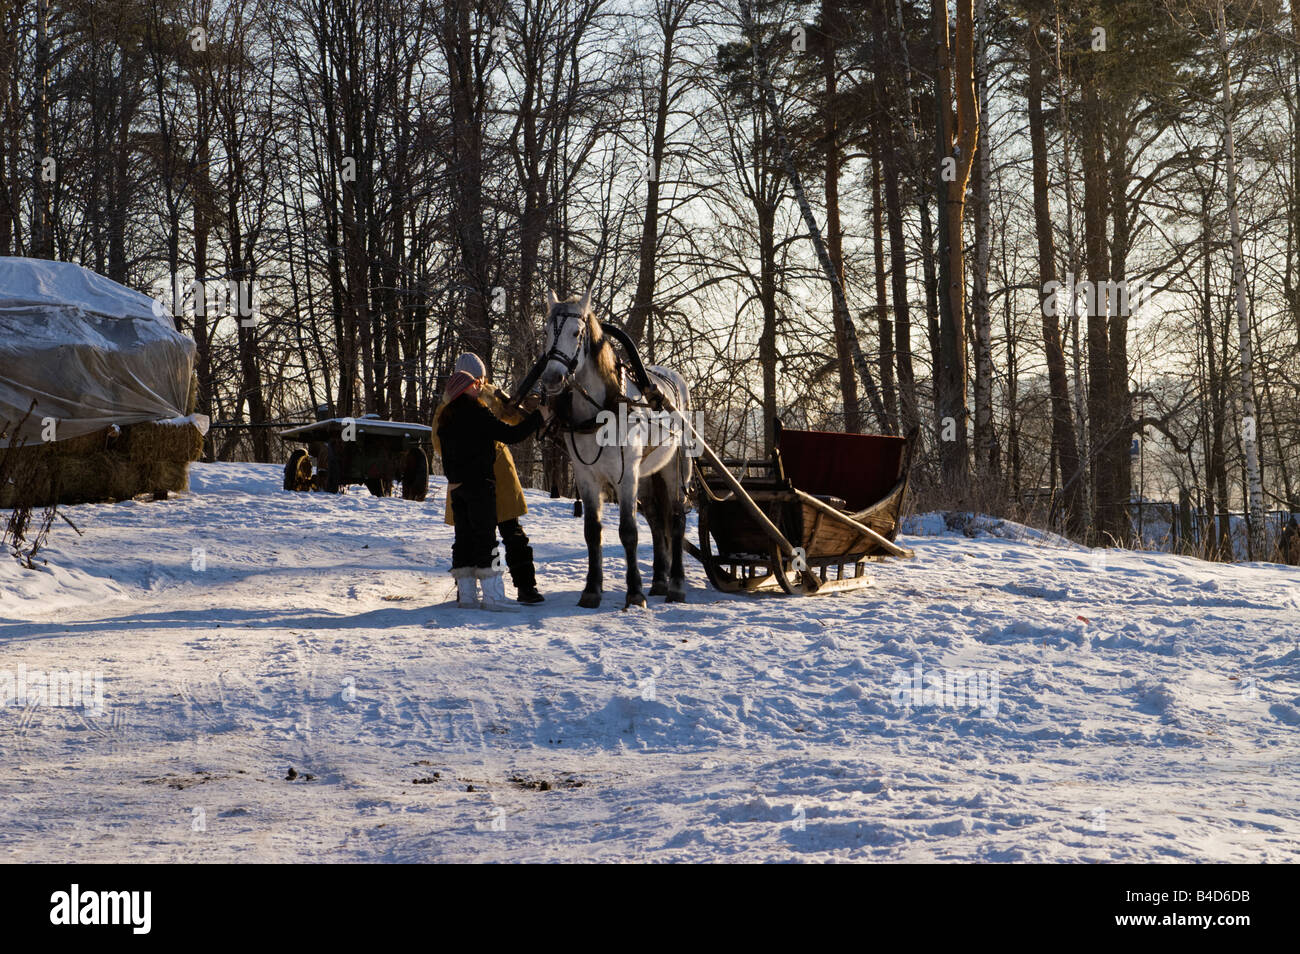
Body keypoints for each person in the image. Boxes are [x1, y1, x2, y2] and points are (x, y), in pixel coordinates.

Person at [435, 354, 546, 610]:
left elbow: (512, 418)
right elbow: (511, 432)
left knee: (468, 539)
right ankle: (499, 595)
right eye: (476, 381)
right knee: (488, 539)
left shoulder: (449, 413)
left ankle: (472, 595)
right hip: (484, 480)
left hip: (462, 483)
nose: (480, 384)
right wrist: (537, 417)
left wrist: (517, 409)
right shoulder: (478, 410)